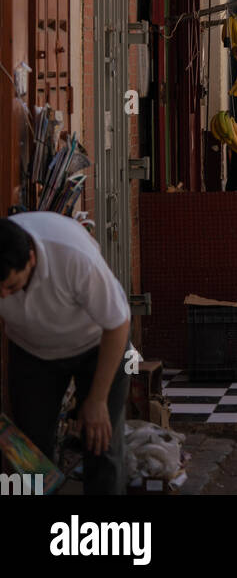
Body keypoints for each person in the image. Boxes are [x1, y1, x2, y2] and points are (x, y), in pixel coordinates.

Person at [0, 212, 131, 495]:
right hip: (31, 350)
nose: (4, 297)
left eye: (11, 286)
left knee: (101, 443)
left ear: (32, 259)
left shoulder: (73, 256)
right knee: (30, 451)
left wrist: (96, 400)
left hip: (98, 344)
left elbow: (118, 323)